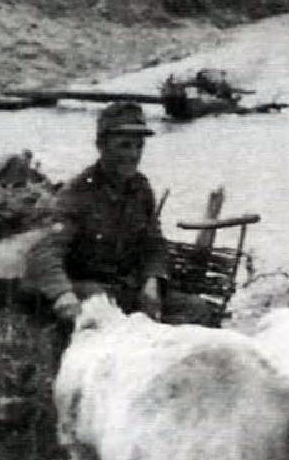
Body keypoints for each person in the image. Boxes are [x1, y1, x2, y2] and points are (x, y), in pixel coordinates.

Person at [27, 102, 203, 325]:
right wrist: (63, 294)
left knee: (197, 309)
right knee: (103, 309)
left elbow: (154, 244)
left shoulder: (140, 188)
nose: (133, 155)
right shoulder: (78, 192)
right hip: (92, 289)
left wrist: (152, 280)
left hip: (129, 288)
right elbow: (46, 252)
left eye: (139, 147)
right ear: (101, 146)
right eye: (124, 146)